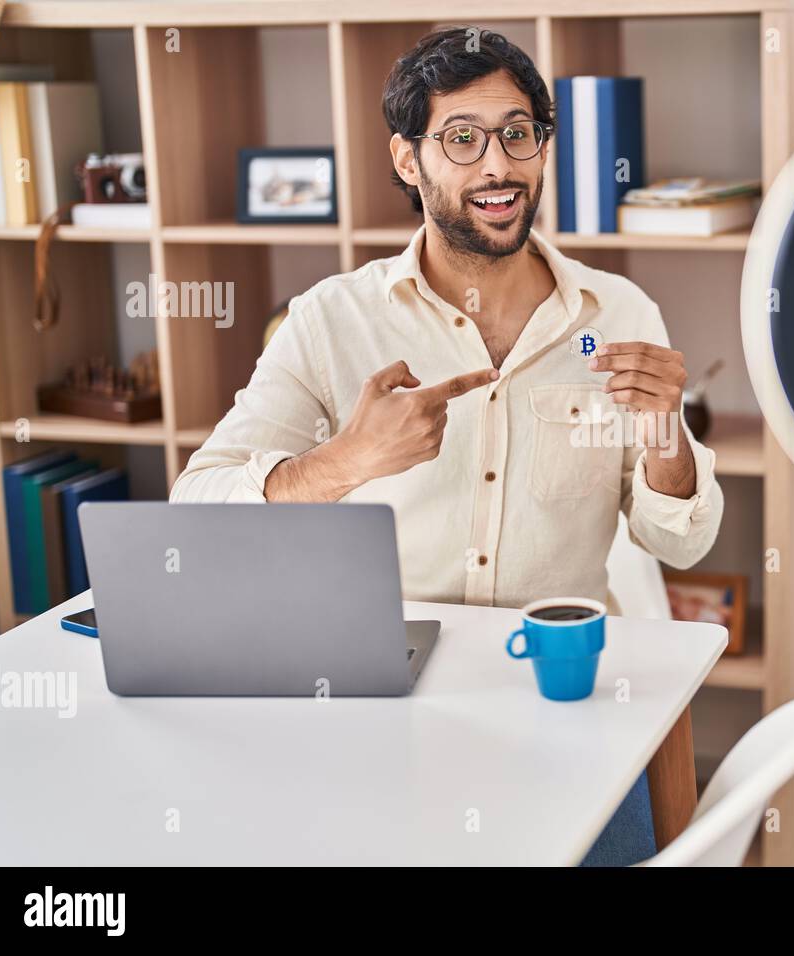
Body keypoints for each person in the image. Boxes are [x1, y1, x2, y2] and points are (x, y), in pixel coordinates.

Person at [170, 27, 724, 865]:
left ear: (544, 147)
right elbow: (198, 508)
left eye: (518, 133)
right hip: (380, 707)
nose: (497, 166)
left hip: (564, 704)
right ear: (408, 160)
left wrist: (664, 436)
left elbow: (682, 538)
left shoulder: (620, 314)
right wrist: (346, 461)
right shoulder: (331, 319)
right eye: (461, 139)